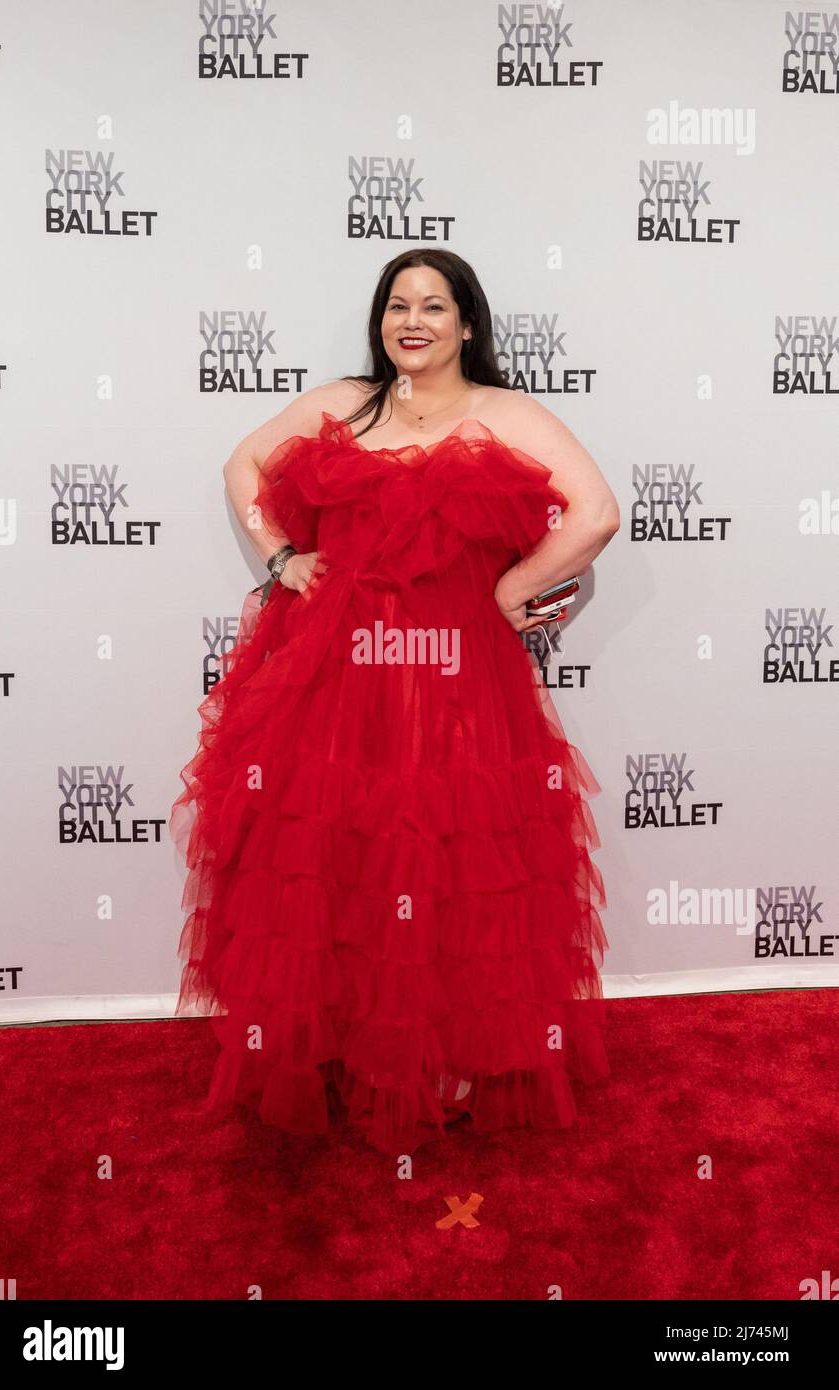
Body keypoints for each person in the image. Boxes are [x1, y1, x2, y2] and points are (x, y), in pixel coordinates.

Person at [169, 247, 620, 1156]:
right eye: (396, 306)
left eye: (434, 306)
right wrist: (280, 558)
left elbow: (597, 512)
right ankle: (341, 1040)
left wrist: (509, 590)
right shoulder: (343, 403)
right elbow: (240, 467)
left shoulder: (507, 415)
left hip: (456, 672)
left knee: (446, 855)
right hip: (331, 673)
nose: (412, 321)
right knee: (336, 853)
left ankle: (444, 1052)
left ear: (467, 324)